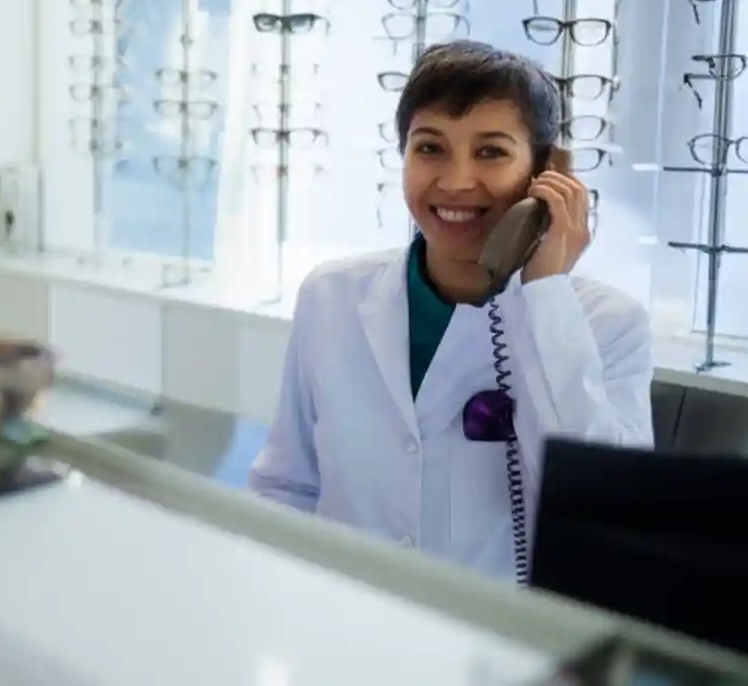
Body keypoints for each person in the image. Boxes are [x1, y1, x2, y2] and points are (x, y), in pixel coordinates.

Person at [248, 40, 654, 583]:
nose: (457, 181)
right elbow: (287, 487)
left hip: (501, 647)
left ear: (547, 172)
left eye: (491, 152)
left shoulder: (609, 325)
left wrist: (546, 295)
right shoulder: (332, 296)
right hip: (340, 627)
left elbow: (605, 514)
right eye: (430, 148)